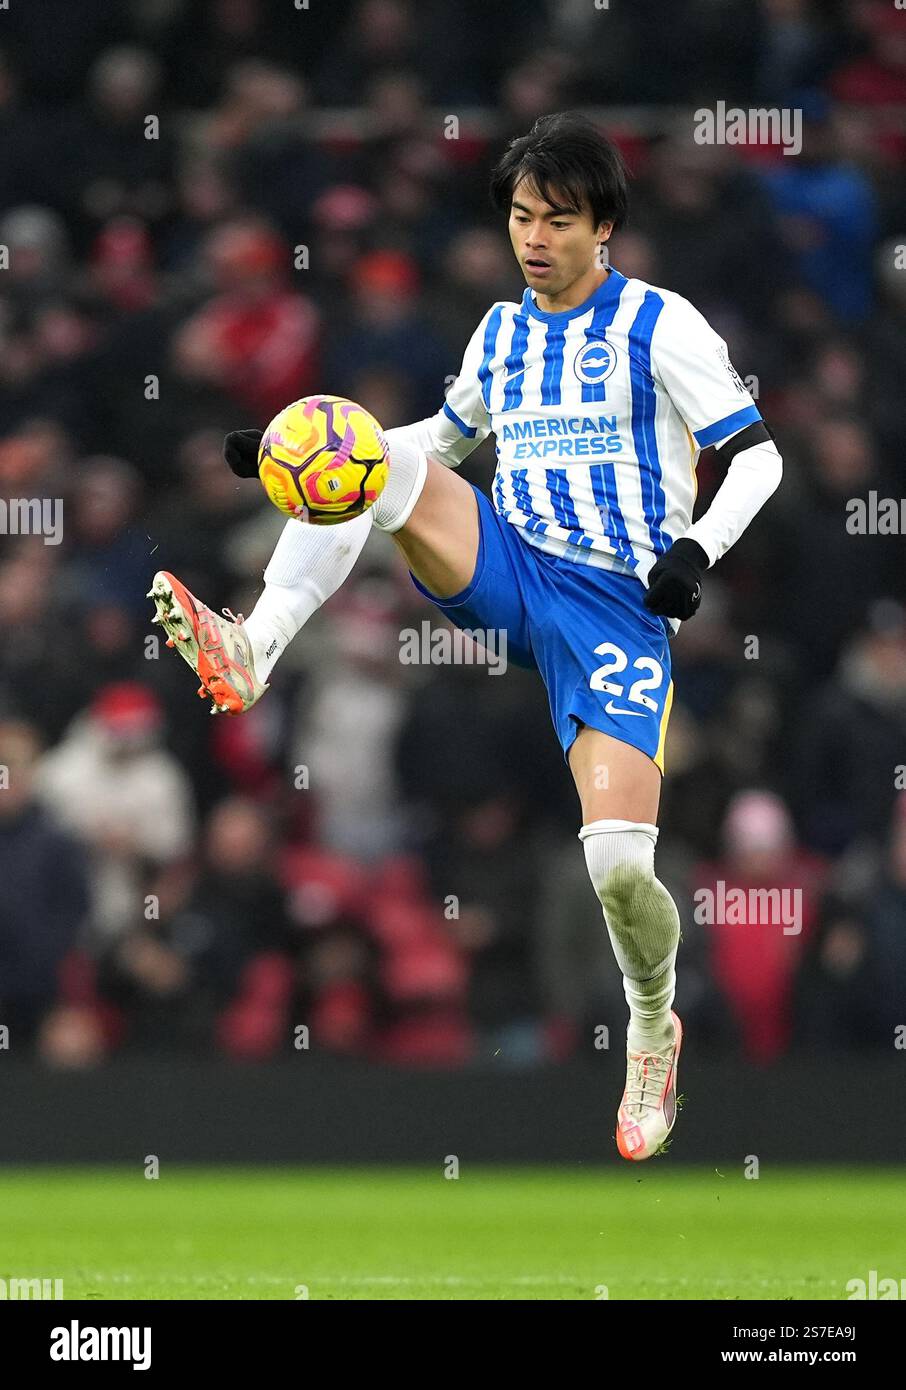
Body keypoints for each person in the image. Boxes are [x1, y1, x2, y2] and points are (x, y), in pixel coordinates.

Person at [148, 112, 783, 1160]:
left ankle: (652, 1022)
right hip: (510, 566)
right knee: (351, 447)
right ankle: (255, 647)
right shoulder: (499, 333)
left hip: (619, 606)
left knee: (621, 870)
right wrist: (281, 449)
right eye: (522, 217)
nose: (535, 237)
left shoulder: (663, 326)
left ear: (605, 225)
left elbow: (757, 459)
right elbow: (428, 448)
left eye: (559, 219)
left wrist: (697, 552)